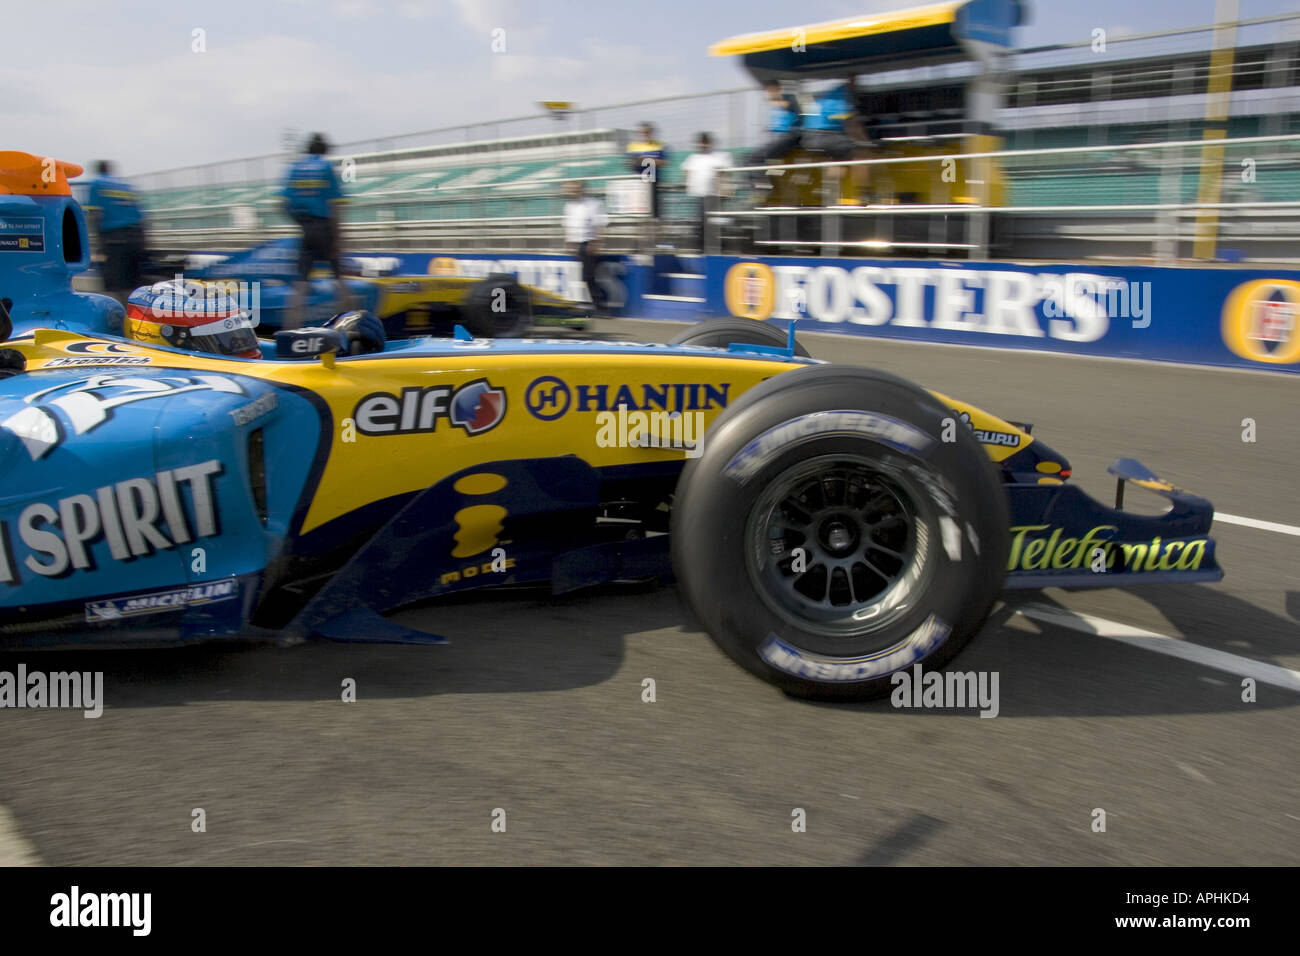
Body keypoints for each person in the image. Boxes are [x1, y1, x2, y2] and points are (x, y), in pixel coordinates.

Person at [280, 132, 348, 329]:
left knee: (300, 284)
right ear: (324, 149)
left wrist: (301, 223)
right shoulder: (325, 167)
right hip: (325, 228)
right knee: (340, 280)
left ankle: (289, 329)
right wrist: (338, 240)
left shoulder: (294, 168)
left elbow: (282, 203)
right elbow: (335, 206)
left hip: (306, 229)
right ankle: (352, 325)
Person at [84, 161, 147, 305]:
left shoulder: (97, 183)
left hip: (115, 238)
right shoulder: (126, 185)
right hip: (137, 236)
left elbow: (94, 212)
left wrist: (98, 241)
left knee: (115, 282)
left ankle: (120, 311)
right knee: (135, 280)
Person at [680, 133, 733, 252]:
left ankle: (716, 246)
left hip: (713, 194)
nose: (703, 145)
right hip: (699, 194)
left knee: (712, 221)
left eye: (705, 142)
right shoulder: (693, 158)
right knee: (702, 221)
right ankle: (703, 246)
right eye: (701, 142)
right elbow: (687, 171)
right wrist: (688, 183)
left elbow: (724, 173)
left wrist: (725, 189)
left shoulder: (717, 156)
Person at [563, 180, 609, 316]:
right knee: (586, 277)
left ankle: (601, 307)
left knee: (589, 276)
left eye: (575, 189)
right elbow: (568, 226)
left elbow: (599, 224)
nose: (572, 192)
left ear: (581, 190)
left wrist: (596, 242)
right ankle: (595, 305)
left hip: (588, 243)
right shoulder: (569, 206)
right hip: (577, 244)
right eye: (571, 189)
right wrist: (569, 243)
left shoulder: (592, 204)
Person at [748, 81, 803, 188]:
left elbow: (795, 108)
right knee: (752, 158)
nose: (770, 94)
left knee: (761, 156)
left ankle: (765, 185)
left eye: (773, 90)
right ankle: (770, 181)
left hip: (790, 137)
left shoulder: (790, 99)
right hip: (777, 138)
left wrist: (780, 103)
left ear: (778, 89)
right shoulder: (773, 106)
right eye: (768, 91)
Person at [626, 121, 668, 246]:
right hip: (639, 183)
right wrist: (637, 162)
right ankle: (641, 241)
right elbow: (628, 164)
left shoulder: (660, 145)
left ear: (651, 133)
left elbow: (664, 162)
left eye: (647, 132)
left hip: (654, 181)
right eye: (642, 132)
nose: (645, 134)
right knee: (640, 212)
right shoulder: (633, 146)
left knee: (656, 213)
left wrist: (647, 160)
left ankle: (658, 240)